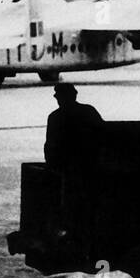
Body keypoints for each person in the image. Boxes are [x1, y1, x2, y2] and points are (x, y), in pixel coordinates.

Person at [43, 82, 105, 260]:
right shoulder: (89, 112)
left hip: (69, 173)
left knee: (70, 213)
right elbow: (104, 135)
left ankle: (74, 249)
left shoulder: (55, 117)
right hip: (90, 171)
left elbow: (50, 147)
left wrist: (52, 167)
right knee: (88, 213)